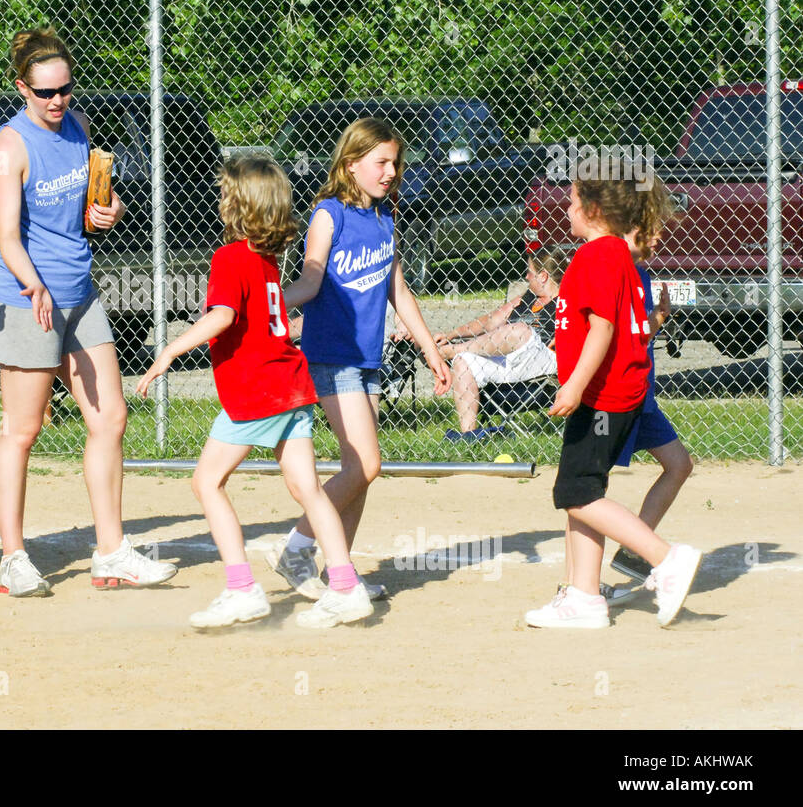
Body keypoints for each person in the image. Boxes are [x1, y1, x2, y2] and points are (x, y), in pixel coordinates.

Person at [138, 155, 375, 629]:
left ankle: (242, 588)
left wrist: (168, 352)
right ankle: (346, 586)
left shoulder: (230, 257)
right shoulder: (264, 260)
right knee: (308, 489)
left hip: (257, 389)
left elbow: (222, 316)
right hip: (290, 382)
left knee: (206, 482)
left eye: (226, 193)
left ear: (236, 204)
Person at [0, 25, 175, 596]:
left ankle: (112, 552)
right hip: (27, 301)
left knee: (110, 417)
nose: (57, 101)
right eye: (44, 93)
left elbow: (92, 203)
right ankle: (13, 558)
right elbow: (8, 237)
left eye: (65, 89)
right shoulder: (9, 147)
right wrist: (34, 285)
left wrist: (107, 210)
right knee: (23, 429)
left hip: (80, 291)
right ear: (23, 89)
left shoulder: (79, 128)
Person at [268, 119, 451, 602]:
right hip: (332, 355)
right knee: (366, 463)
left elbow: (399, 291)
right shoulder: (330, 214)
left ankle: (338, 572)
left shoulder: (384, 219)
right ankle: (298, 548)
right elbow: (309, 282)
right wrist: (260, 305)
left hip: (368, 356)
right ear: (351, 165)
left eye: (395, 163)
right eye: (381, 162)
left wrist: (431, 349)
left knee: (360, 468)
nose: (391, 171)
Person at [525, 171, 701, 629]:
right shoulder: (616, 254)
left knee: (576, 491)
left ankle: (665, 559)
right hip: (612, 394)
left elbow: (603, 328)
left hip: (603, 397)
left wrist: (576, 385)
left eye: (573, 203)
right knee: (583, 490)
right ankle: (582, 595)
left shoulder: (596, 254)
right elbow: (605, 325)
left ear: (595, 211)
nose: (567, 211)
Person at [605, 216, 694, 592]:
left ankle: (634, 550)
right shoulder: (620, 270)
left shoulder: (640, 271)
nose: (659, 238)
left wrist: (655, 317)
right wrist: (658, 318)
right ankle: (581, 584)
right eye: (651, 230)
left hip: (643, 396)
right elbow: (629, 338)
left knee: (679, 465)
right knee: (589, 487)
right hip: (619, 395)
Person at [430, 248, 568, 441]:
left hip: (543, 360)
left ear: (543, 276)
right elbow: (489, 322)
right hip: (510, 359)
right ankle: (469, 435)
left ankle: (451, 351)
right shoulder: (525, 298)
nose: (526, 277)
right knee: (463, 361)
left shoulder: (567, 299)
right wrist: (450, 333)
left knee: (520, 329)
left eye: (530, 272)